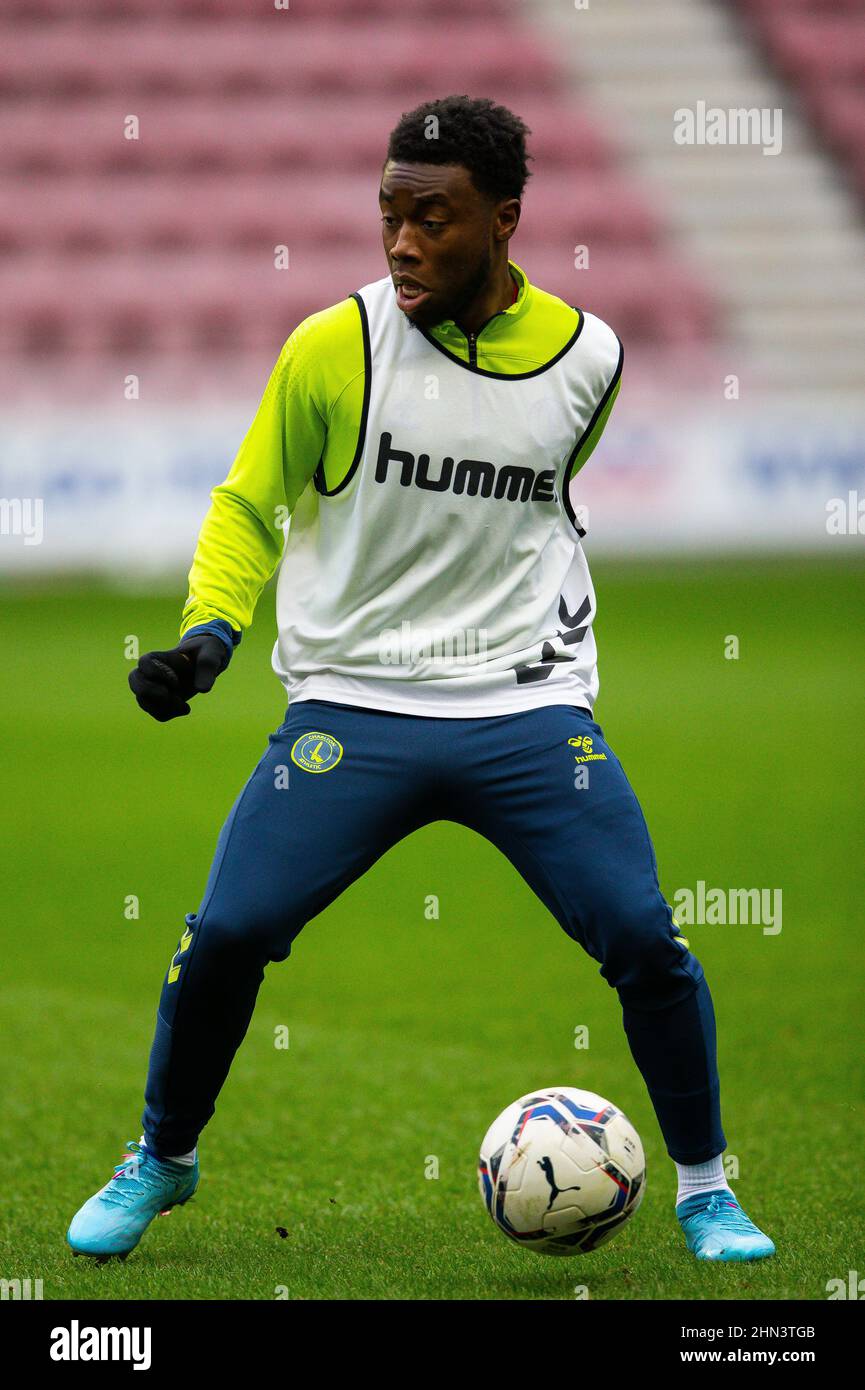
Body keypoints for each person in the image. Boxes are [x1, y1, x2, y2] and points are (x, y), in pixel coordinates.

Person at [67, 95, 774, 1265]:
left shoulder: (589, 359)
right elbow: (248, 504)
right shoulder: (329, 348)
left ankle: (706, 1188)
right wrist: (210, 635)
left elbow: (544, 506)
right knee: (230, 928)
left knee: (645, 936)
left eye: (431, 219)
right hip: (352, 705)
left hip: (525, 706)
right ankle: (162, 1157)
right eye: (388, 214)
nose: (400, 242)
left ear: (503, 221)